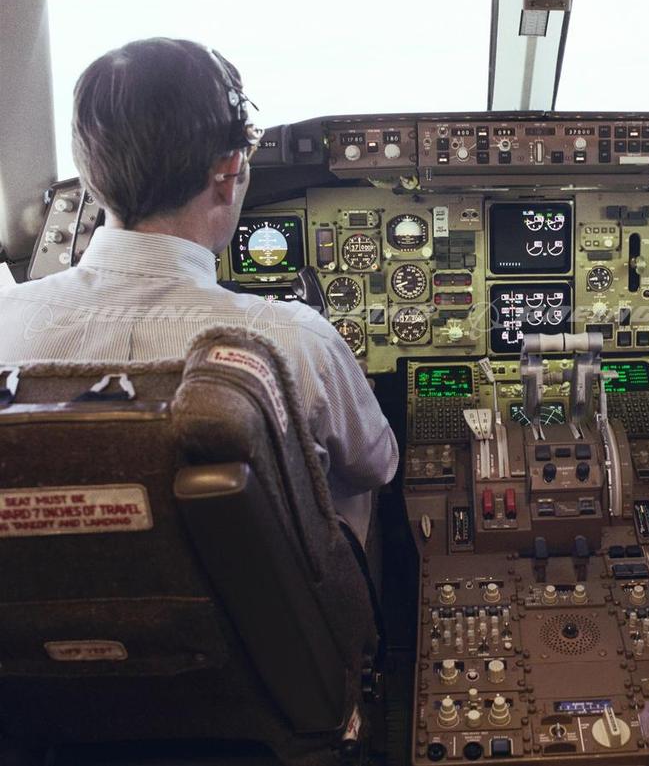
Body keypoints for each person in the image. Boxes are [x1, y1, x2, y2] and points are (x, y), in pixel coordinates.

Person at [0, 38, 398, 542]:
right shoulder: (292, 341)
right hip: (261, 617)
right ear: (229, 176)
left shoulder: (5, 321)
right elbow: (377, 464)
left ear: (92, 178)